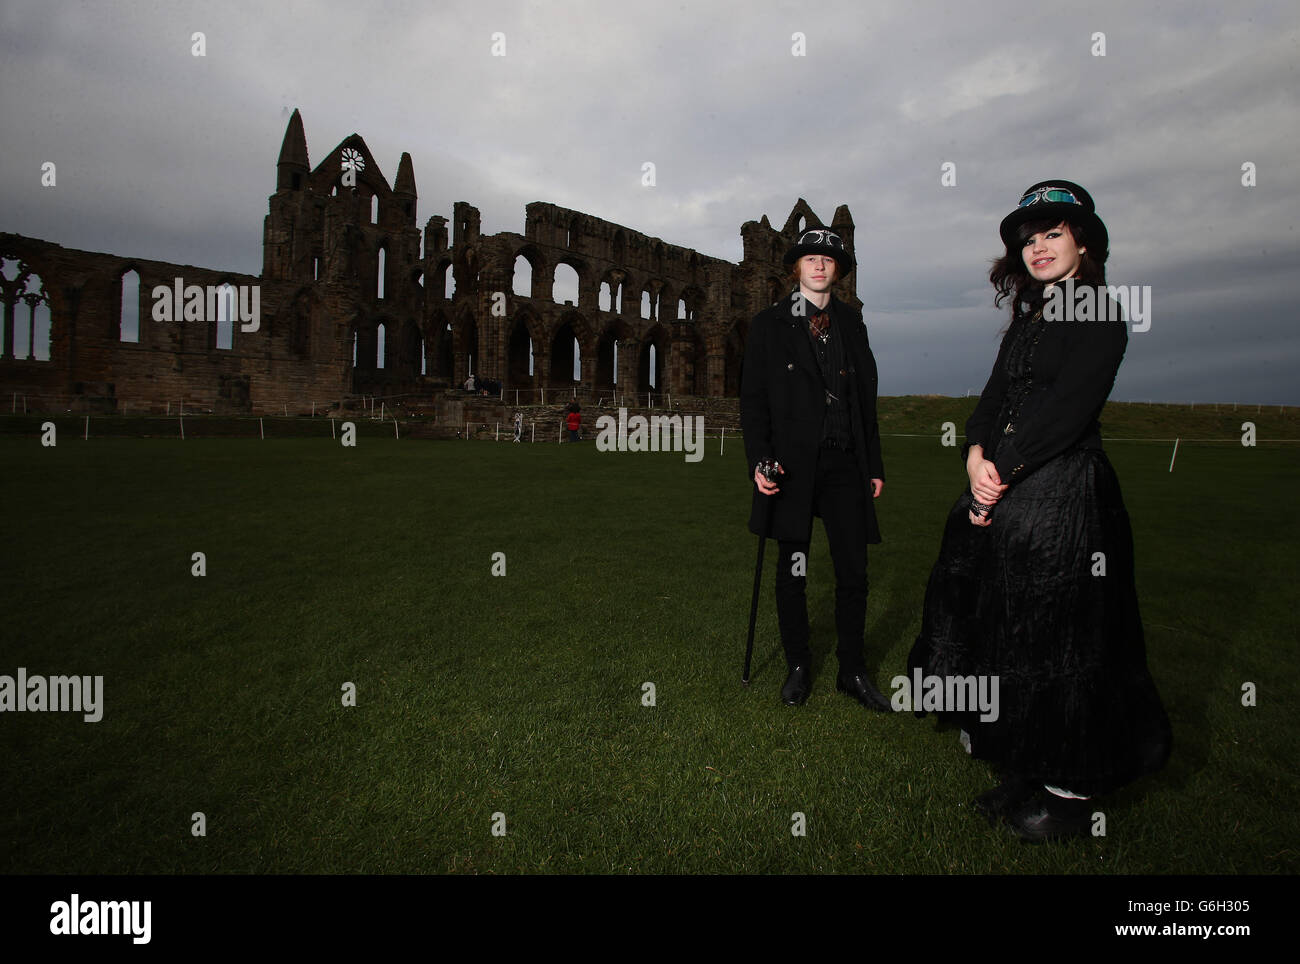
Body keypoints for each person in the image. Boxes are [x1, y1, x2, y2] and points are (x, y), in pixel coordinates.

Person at [907, 180, 1172, 842]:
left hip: (1066, 498)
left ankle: (1069, 795)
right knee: (1009, 624)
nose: (1040, 247)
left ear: (1083, 242)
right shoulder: (1027, 322)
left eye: (1053, 233)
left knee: (1068, 637)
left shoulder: (1100, 313)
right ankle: (1027, 762)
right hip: (1006, 490)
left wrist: (1004, 472)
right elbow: (993, 399)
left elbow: (1069, 409)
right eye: (1029, 239)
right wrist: (975, 458)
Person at [740, 228, 888, 710]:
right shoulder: (769, 324)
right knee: (793, 570)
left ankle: (852, 669)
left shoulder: (851, 322)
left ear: (838, 270)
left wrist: (874, 463)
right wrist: (759, 460)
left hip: (845, 460)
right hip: (793, 464)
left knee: (853, 571)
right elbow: (754, 401)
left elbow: (865, 399)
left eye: (828, 259)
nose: (820, 265)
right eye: (810, 259)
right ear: (796, 268)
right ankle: (799, 665)